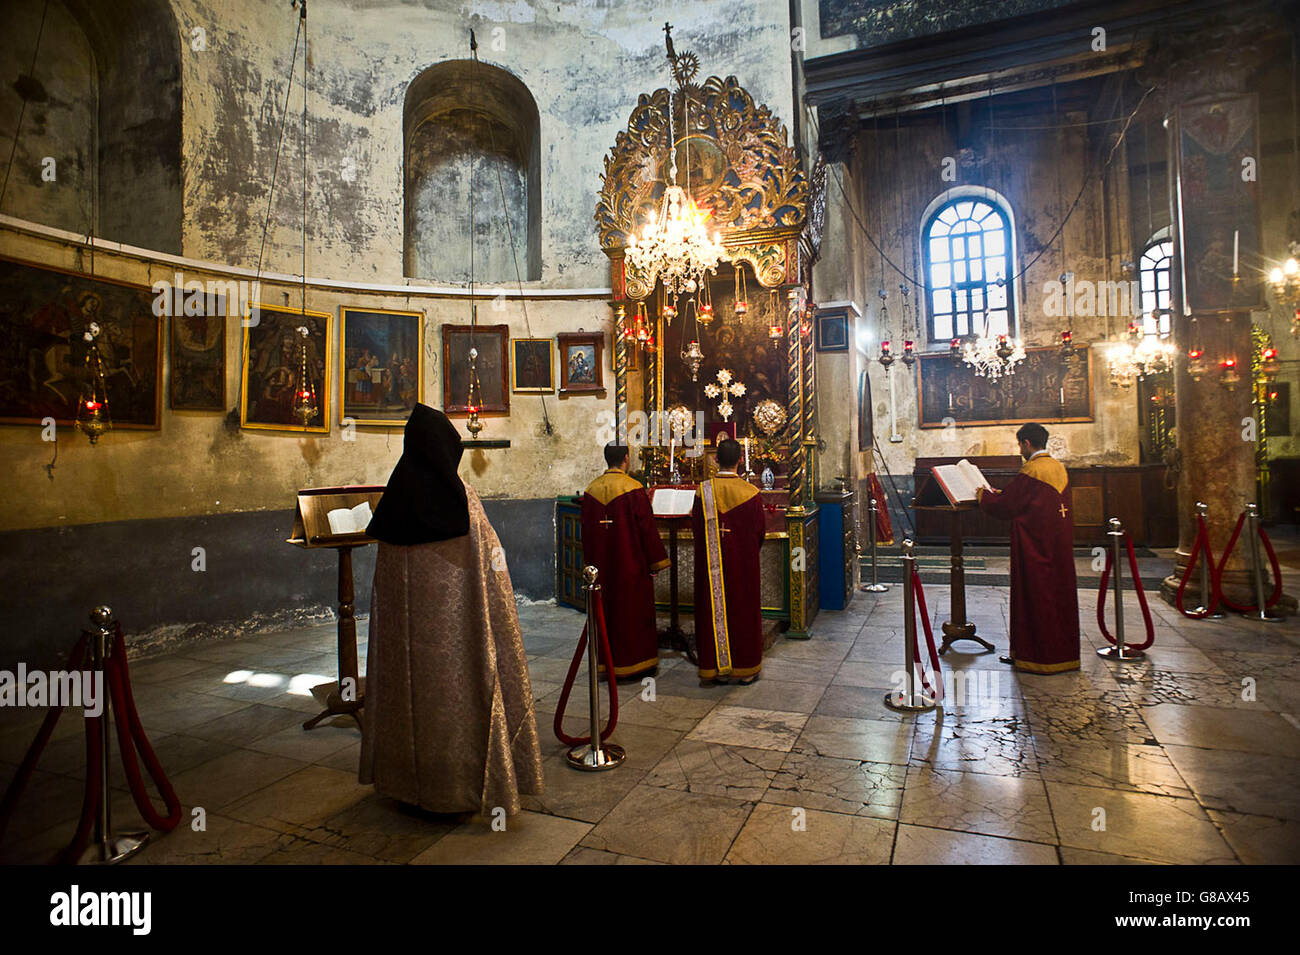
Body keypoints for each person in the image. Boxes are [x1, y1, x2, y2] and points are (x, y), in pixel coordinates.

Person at [360, 404, 543, 815]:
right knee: (454, 701)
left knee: (404, 697)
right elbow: (492, 567)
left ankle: (405, 782)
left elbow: (384, 587)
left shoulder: (394, 500)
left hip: (404, 645)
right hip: (454, 641)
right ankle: (455, 787)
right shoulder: (461, 499)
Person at [976, 422, 1081, 674]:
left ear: (1026, 443)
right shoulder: (1057, 468)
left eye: (1019, 444)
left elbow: (1007, 507)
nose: (1020, 449)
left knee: (1036, 598)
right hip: (1057, 548)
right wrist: (1002, 494)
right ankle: (1064, 655)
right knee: (1058, 599)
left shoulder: (1032, 470)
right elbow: (1028, 501)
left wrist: (983, 495)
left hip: (1035, 549)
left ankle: (1039, 657)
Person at [581, 444, 670, 679]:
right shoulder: (633, 489)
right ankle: (636, 664)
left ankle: (606, 665)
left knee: (606, 613)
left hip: (601, 569)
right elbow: (646, 529)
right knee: (632, 614)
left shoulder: (591, 491)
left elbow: (586, 533)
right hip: (631, 568)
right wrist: (656, 561)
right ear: (626, 459)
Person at [692, 438, 767, 684]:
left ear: (715, 460)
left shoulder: (703, 491)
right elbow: (759, 534)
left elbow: (696, 531)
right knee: (743, 612)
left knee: (711, 610)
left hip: (709, 568)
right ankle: (745, 669)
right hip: (743, 567)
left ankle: (715, 669)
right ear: (741, 460)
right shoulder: (752, 494)